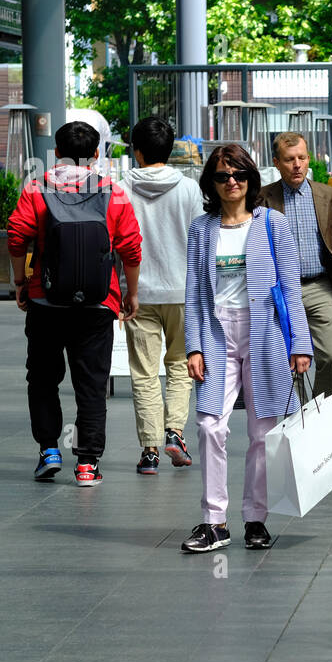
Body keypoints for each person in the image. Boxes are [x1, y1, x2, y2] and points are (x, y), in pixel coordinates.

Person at [181, 144, 312, 554]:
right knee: (208, 426)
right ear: (212, 183)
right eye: (222, 176)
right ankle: (213, 520)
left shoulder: (273, 224)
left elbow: (290, 288)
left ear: (251, 178)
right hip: (216, 331)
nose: (231, 181)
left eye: (238, 174)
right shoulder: (202, 229)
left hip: (265, 333)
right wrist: (193, 347)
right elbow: (194, 293)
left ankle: (255, 517)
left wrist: (300, 344)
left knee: (262, 431)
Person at [8, 120, 142, 486]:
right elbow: (130, 246)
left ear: (56, 151)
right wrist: (130, 293)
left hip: (45, 301)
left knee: (42, 378)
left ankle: (49, 449)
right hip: (98, 303)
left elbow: (17, 236)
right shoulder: (111, 191)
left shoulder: (37, 188)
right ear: (96, 154)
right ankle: (87, 464)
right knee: (91, 383)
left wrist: (20, 281)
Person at [120, 116, 205, 475]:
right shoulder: (189, 189)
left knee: (143, 372)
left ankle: (150, 450)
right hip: (183, 291)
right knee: (180, 367)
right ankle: (174, 432)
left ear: (136, 151)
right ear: (169, 151)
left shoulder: (120, 187)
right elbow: (202, 240)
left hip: (137, 291)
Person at [261, 132, 332, 401]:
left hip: (319, 286)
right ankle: (298, 419)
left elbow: (331, 237)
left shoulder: (330, 196)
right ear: (276, 162)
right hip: (278, 291)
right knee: (286, 364)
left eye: (302, 158)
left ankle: (323, 414)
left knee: (330, 355)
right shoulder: (262, 199)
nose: (297, 165)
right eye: (289, 159)